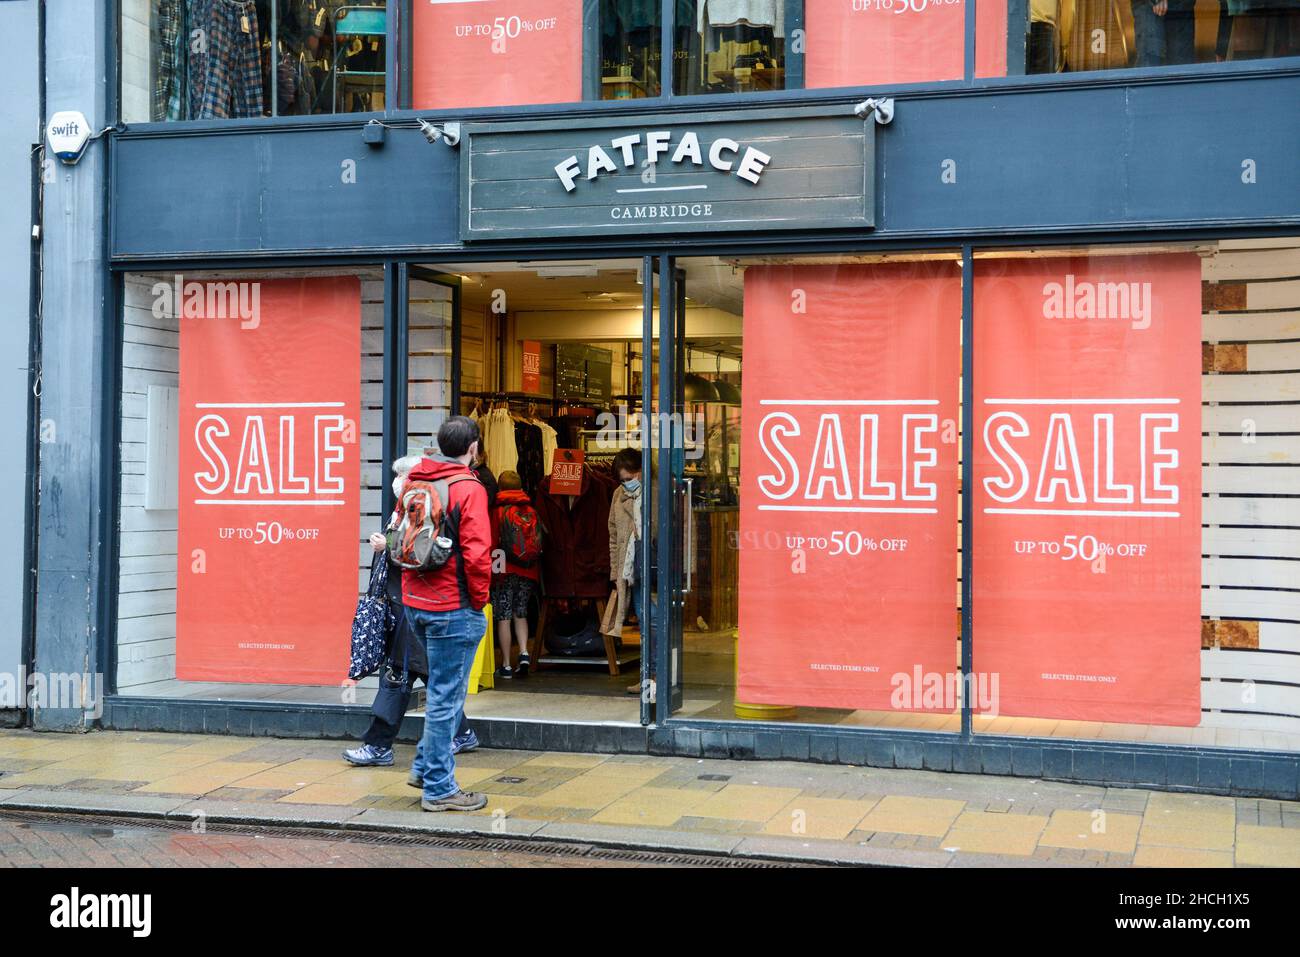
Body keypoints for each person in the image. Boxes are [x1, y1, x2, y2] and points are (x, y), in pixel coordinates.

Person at [342, 456, 479, 768]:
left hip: (410, 607)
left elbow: (419, 551)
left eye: (402, 475)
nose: (397, 482)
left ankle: (378, 746)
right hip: (404, 606)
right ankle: (463, 732)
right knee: (431, 677)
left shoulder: (423, 507)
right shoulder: (407, 508)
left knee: (397, 677)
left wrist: (386, 545)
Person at [401, 417, 493, 812]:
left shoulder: (415, 480)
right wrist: (480, 600)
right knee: (444, 697)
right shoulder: (469, 488)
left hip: (415, 602)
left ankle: (425, 767)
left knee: (444, 692)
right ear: (473, 447)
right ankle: (439, 788)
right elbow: (477, 553)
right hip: (452, 606)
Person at [603, 448, 653, 702]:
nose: (627, 483)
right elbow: (613, 536)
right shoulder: (618, 496)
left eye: (630, 476)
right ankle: (649, 679)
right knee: (645, 622)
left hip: (654, 564)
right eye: (622, 479)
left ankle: (656, 678)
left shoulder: (655, 493)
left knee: (652, 621)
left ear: (640, 471)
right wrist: (615, 573)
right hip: (632, 568)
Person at [490, 470, 542, 679]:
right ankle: (523, 653)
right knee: (521, 613)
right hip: (528, 570)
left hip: (505, 569)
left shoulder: (497, 511)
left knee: (503, 616)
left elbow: (494, 545)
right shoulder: (531, 509)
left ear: (500, 488)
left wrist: (496, 573)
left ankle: (506, 665)